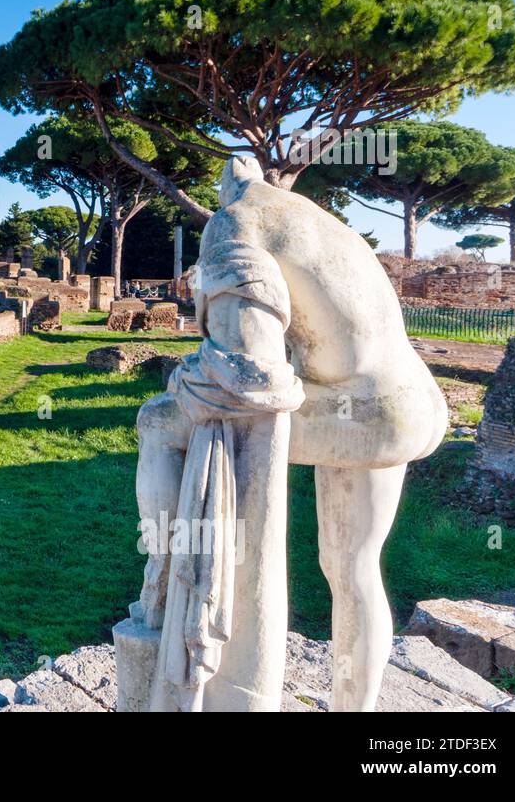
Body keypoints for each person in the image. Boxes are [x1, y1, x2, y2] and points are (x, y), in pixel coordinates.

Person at [135, 157, 447, 711]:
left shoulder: (234, 221)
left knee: (159, 422)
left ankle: (161, 583)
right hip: (411, 404)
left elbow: (247, 374)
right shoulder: (319, 222)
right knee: (353, 569)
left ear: (226, 185)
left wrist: (186, 376)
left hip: (359, 412)